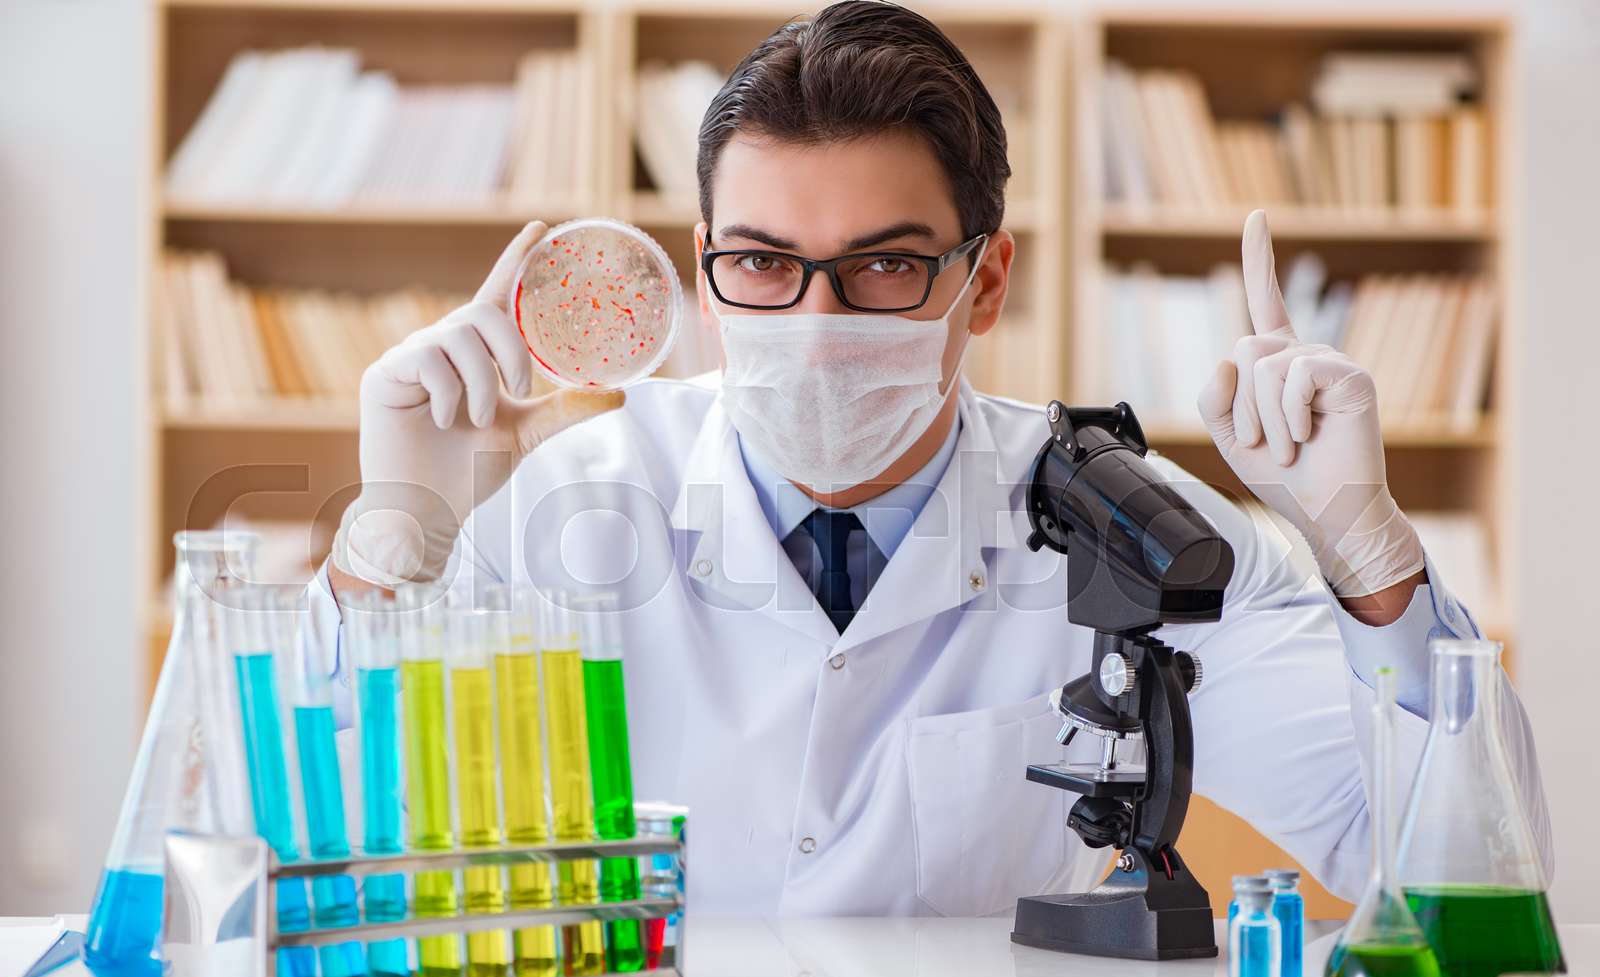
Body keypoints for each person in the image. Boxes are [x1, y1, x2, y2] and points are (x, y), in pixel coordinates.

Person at [311, 0, 1551, 915]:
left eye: (886, 265)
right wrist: (391, 543)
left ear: (986, 280)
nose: (816, 322)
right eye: (761, 263)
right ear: (703, 269)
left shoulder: (1131, 525)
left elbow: (1469, 878)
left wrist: (1368, 558)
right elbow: (317, 875)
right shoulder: (563, 504)